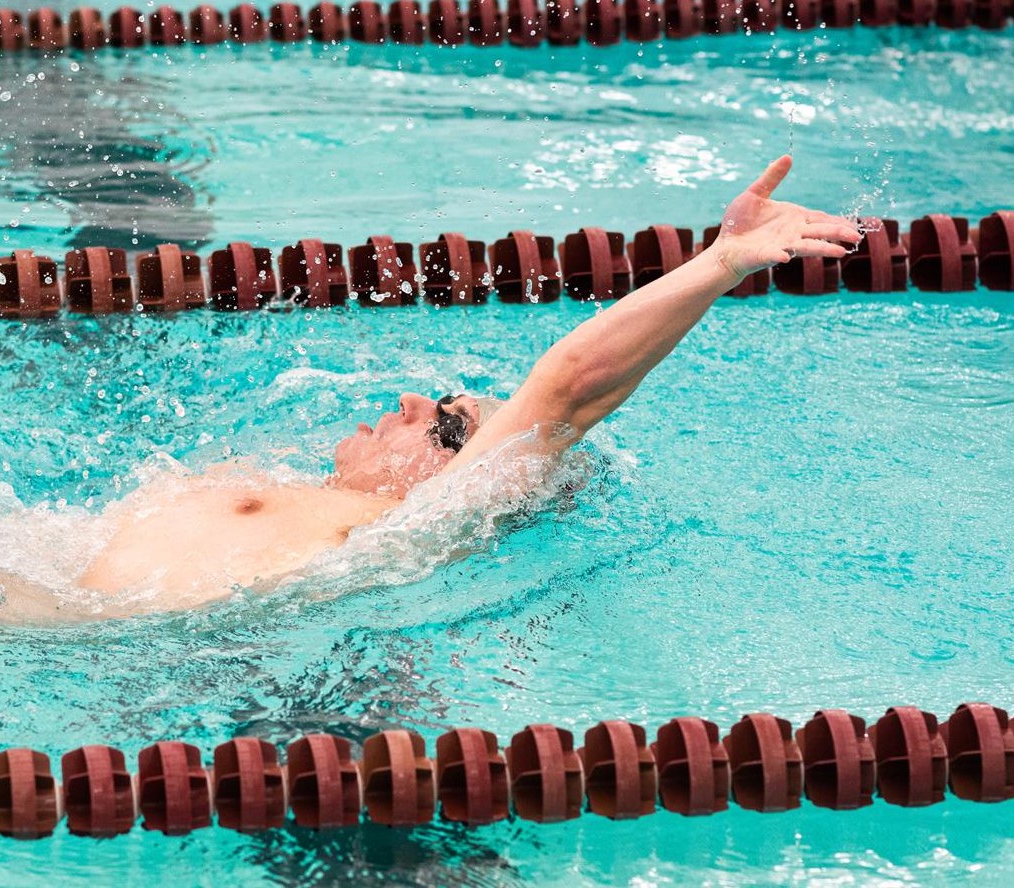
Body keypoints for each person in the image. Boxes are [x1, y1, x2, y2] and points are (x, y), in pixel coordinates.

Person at [71, 155, 861, 612]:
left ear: (460, 479)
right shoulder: (289, 487)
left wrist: (718, 264)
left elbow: (568, 390)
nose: (411, 401)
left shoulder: (397, 532)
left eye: (444, 426)